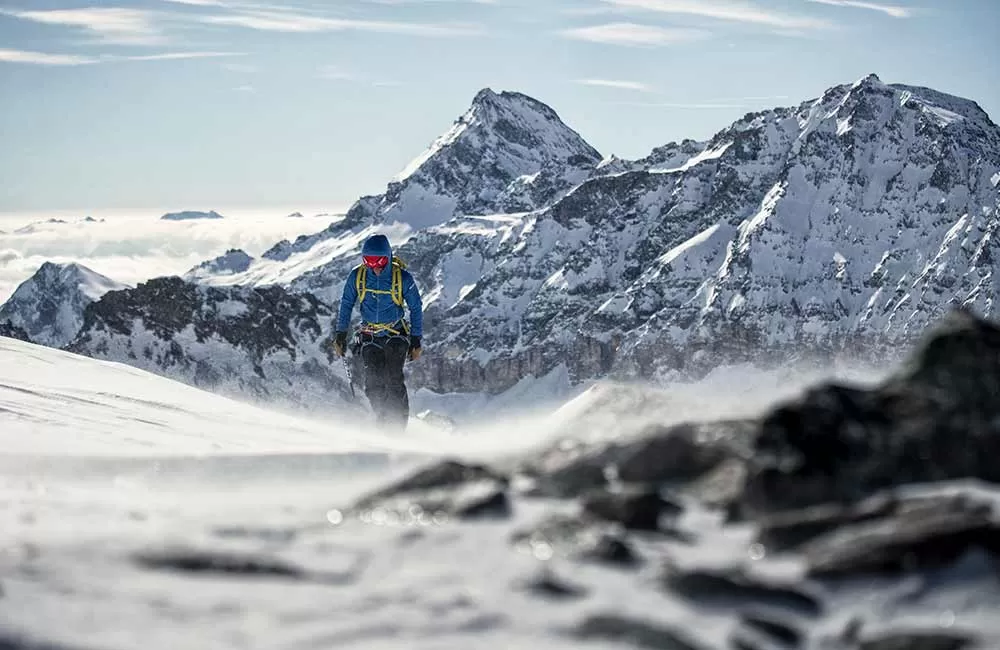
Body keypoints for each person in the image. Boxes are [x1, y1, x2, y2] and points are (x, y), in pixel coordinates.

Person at [333, 234, 423, 430]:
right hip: (370, 336)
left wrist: (416, 341)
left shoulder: (403, 278)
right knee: (373, 385)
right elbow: (346, 304)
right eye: (368, 261)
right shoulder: (358, 276)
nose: (374, 266)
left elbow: (416, 308)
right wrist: (341, 334)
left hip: (396, 335)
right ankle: (382, 421)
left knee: (393, 379)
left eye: (379, 261)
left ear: (388, 257)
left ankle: (398, 427)